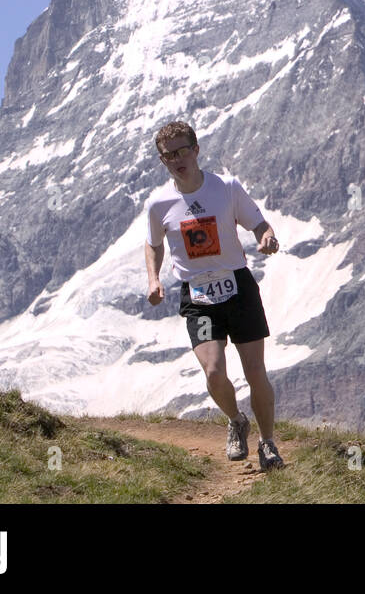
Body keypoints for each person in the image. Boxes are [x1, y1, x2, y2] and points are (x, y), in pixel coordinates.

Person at [143, 120, 285, 470]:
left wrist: (265, 238)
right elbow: (153, 244)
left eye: (182, 151)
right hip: (197, 294)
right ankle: (237, 421)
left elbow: (259, 223)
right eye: (168, 155)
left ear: (196, 150)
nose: (177, 159)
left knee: (255, 371)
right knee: (213, 372)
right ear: (162, 161)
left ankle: (267, 443)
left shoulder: (226, 188)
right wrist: (153, 279)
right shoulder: (159, 204)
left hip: (237, 286)